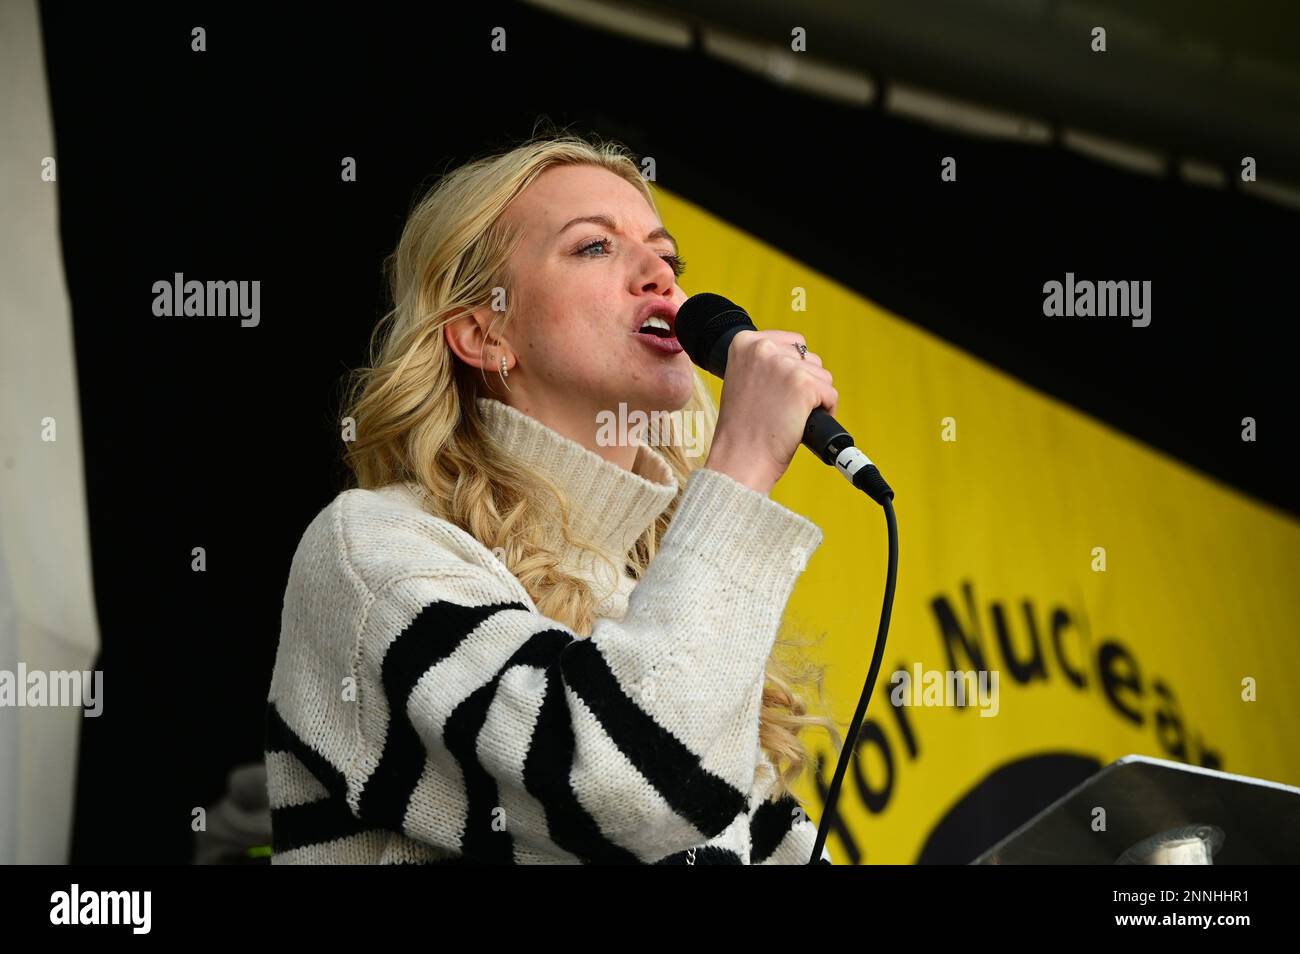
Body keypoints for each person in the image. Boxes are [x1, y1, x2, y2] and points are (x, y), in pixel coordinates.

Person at [265, 131, 843, 864]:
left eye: (668, 256)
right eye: (594, 247)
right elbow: (625, 787)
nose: (660, 276)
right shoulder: (373, 551)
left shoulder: (651, 602)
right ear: (483, 331)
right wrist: (741, 467)